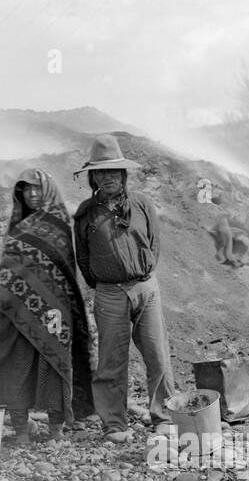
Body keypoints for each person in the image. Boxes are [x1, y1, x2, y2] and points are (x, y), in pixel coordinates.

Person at [73, 136, 175, 433]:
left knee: (157, 356)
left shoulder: (142, 204)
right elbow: (84, 257)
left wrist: (142, 273)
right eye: (101, 173)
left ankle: (164, 417)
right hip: (109, 294)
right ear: (93, 178)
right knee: (111, 361)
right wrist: (105, 284)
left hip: (147, 289)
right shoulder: (85, 214)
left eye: (114, 172)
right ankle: (114, 424)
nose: (108, 178)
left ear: (124, 175)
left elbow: (154, 244)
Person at [0, 168, 94, 445]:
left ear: (49, 192)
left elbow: (65, 275)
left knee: (55, 367)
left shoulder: (59, 227)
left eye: (37, 189)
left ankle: (56, 430)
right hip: (17, 312)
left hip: (54, 314)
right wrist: (1, 300)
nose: (32, 194)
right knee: (15, 368)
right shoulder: (16, 227)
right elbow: (8, 271)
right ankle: (21, 430)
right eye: (26, 189)